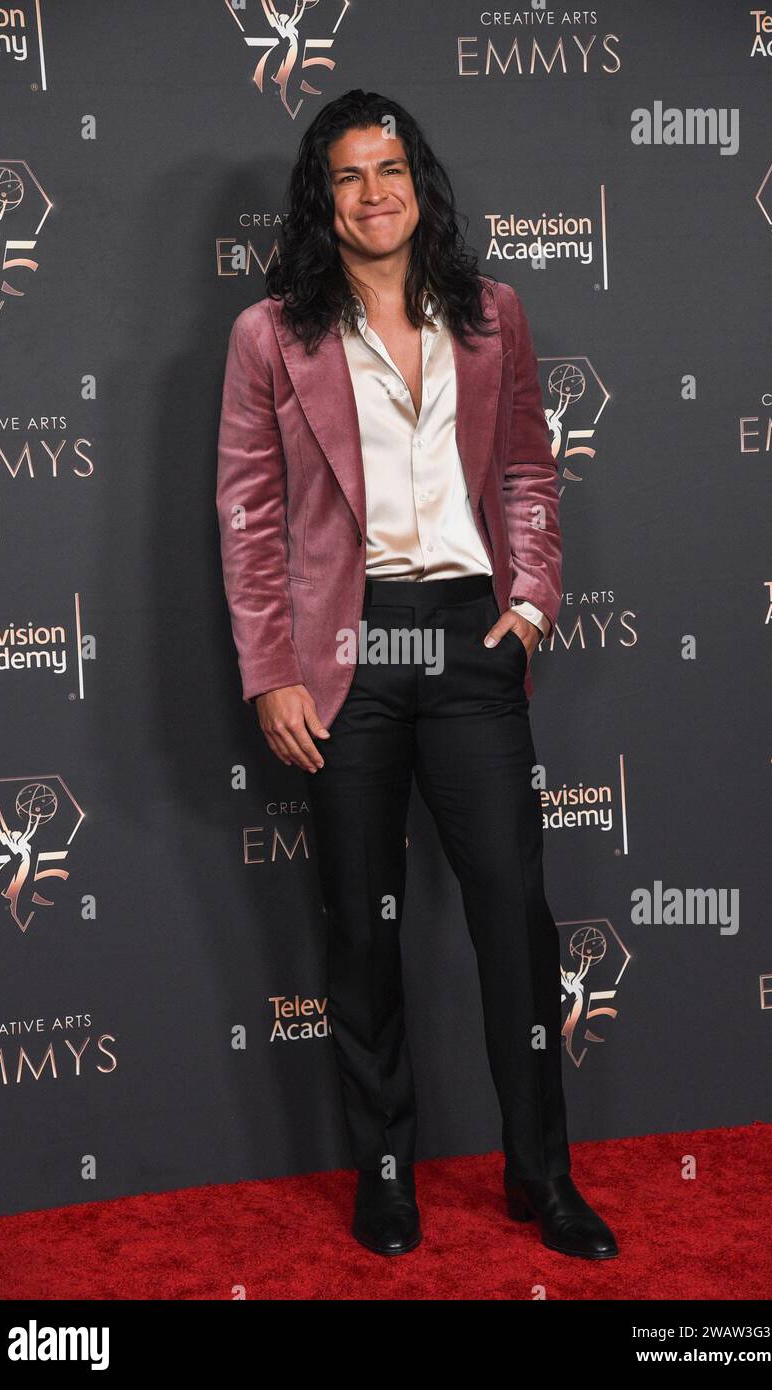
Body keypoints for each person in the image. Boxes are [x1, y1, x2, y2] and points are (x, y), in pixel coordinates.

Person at [216, 88, 618, 1261]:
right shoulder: (271, 335)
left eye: (387, 168)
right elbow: (249, 517)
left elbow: (530, 473)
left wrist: (532, 598)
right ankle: (384, 1175)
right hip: (343, 649)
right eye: (346, 175)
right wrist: (269, 669)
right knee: (359, 928)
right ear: (321, 197)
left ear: (417, 179)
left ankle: (541, 1176)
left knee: (514, 920)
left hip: (465, 637)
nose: (372, 192)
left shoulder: (492, 314)